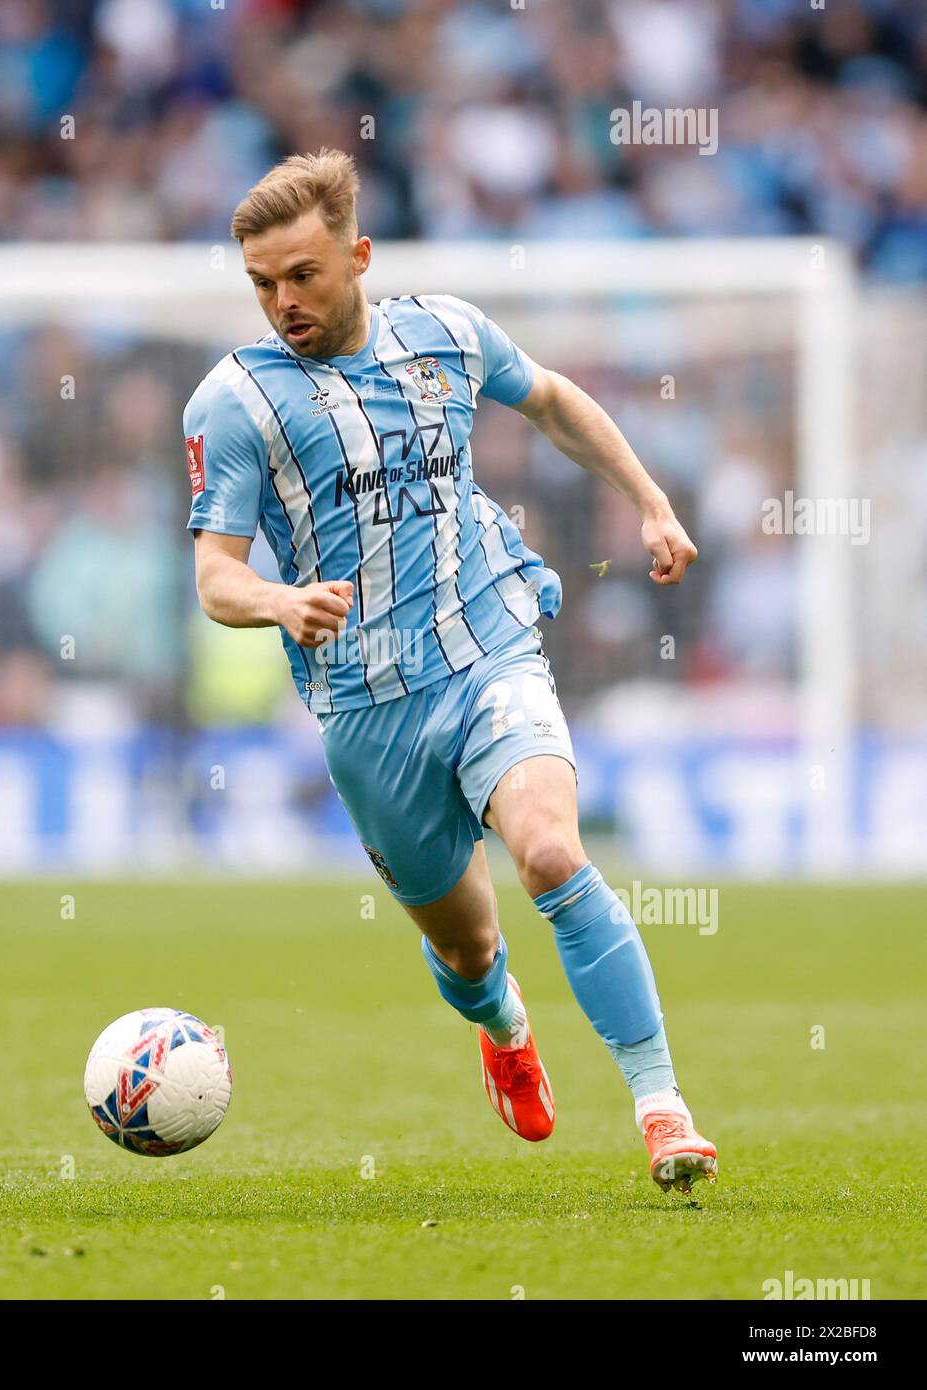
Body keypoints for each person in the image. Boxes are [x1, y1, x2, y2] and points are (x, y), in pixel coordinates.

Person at [184, 148, 717, 1194]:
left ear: (358, 255)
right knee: (470, 953)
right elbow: (212, 574)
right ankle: (503, 1026)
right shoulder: (235, 402)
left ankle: (662, 1110)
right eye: (261, 283)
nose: (282, 301)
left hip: (487, 651)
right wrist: (282, 602)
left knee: (551, 855)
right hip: (366, 711)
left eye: (302, 274)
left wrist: (647, 499)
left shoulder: (448, 334)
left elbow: (554, 399)